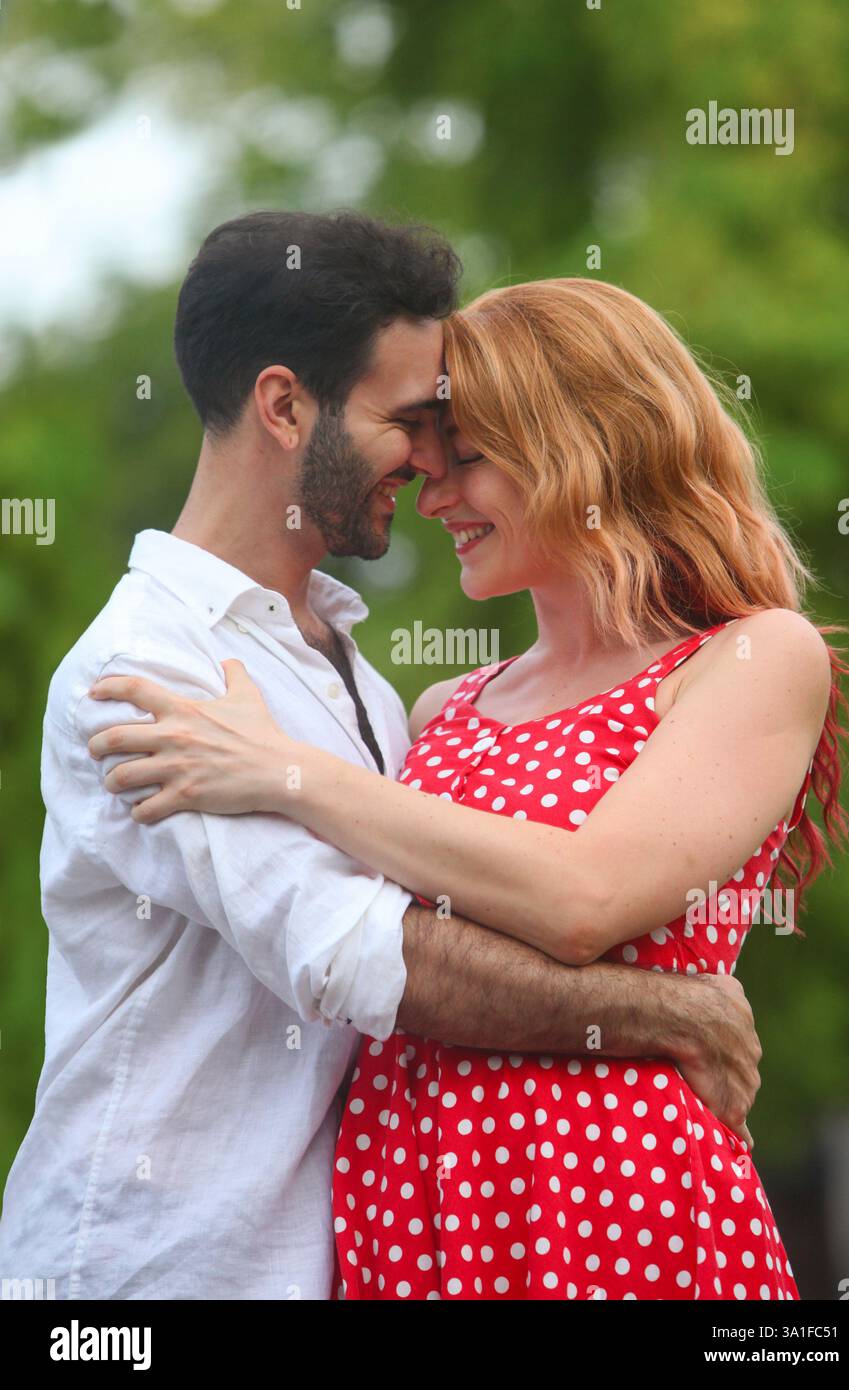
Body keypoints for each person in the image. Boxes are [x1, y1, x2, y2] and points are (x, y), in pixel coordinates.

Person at [0, 218, 757, 1303]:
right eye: (409, 420)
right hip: (151, 1272)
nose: (434, 458)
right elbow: (359, 955)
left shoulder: (343, 664)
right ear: (283, 406)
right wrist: (663, 1011)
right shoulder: (151, 667)